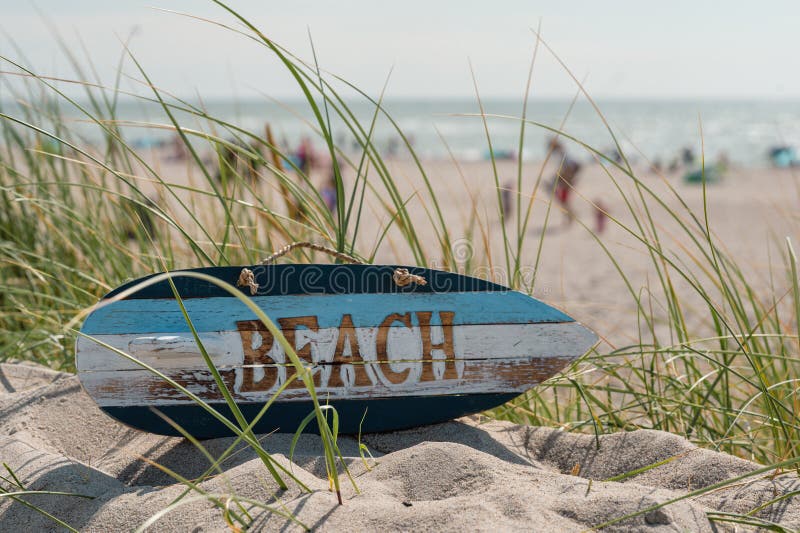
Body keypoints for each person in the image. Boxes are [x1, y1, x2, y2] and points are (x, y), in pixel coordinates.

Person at [548, 138, 582, 226]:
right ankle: (570, 216)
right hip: (566, 180)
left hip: (566, 181)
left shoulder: (562, 154)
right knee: (563, 200)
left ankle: (570, 216)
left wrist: (562, 179)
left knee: (563, 201)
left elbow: (570, 167)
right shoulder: (562, 153)